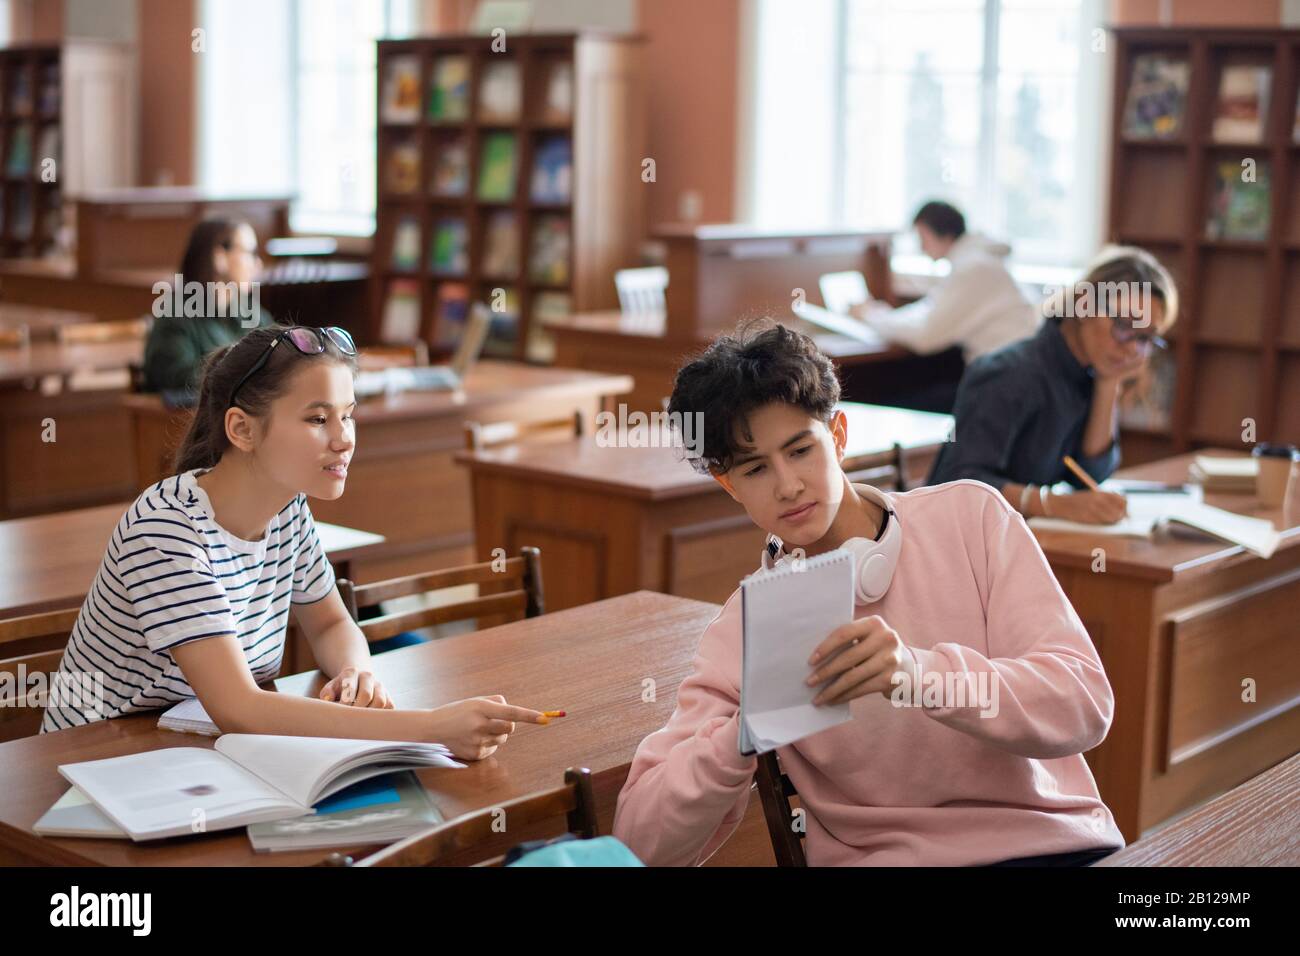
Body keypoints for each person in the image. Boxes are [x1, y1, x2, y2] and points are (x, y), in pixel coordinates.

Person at [612, 321, 1125, 866]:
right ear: (728, 484)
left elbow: (1084, 705)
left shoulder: (972, 517)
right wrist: (740, 736)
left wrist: (919, 675)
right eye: (757, 468)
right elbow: (639, 844)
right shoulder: (744, 629)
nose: (788, 485)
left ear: (837, 435)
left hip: (1054, 849)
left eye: (800, 450)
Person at [42, 323, 546, 760]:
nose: (344, 437)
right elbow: (240, 707)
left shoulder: (288, 509)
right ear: (241, 429)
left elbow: (329, 623)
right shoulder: (166, 531)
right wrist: (431, 729)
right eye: (317, 418)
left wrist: (355, 670)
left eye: (347, 414)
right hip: (95, 759)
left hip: (195, 751)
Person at [927, 246, 1179, 525]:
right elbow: (962, 481)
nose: (1133, 349)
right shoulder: (1007, 373)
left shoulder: (1088, 374)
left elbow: (1090, 476)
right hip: (959, 544)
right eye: (1124, 326)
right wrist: (1055, 505)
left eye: (1145, 339)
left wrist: (1109, 386)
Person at [853, 200, 1040, 364]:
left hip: (1005, 375)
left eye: (922, 237)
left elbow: (925, 337)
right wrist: (884, 315)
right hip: (1011, 366)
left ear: (944, 233)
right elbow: (930, 308)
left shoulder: (973, 269)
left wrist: (872, 318)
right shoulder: (976, 261)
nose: (921, 247)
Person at [141, 218, 277, 397]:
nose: (258, 264)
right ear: (219, 258)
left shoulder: (253, 312)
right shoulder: (175, 317)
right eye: (250, 253)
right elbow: (177, 378)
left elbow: (276, 362)